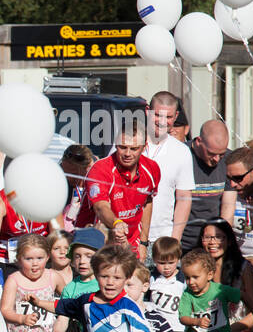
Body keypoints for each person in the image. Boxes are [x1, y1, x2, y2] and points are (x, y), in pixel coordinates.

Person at [83, 114, 159, 258]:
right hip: (98, 243)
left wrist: (143, 243)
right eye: (122, 147)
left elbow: (147, 203)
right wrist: (116, 222)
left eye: (134, 148)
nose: (127, 154)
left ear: (144, 147)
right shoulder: (100, 169)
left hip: (132, 244)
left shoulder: (152, 168)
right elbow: (100, 207)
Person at [144, 91, 194, 245]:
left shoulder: (181, 151)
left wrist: (175, 240)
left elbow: (184, 199)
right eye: (158, 115)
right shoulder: (128, 144)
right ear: (147, 111)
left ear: (176, 116)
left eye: (169, 117)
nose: (163, 121)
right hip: (128, 236)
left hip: (162, 239)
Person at [181, 120, 234, 251]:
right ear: (199, 141)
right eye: (211, 153)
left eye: (221, 154)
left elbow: (228, 206)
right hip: (183, 242)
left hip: (213, 243)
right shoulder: (180, 155)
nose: (216, 159)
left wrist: (223, 240)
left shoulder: (229, 160)